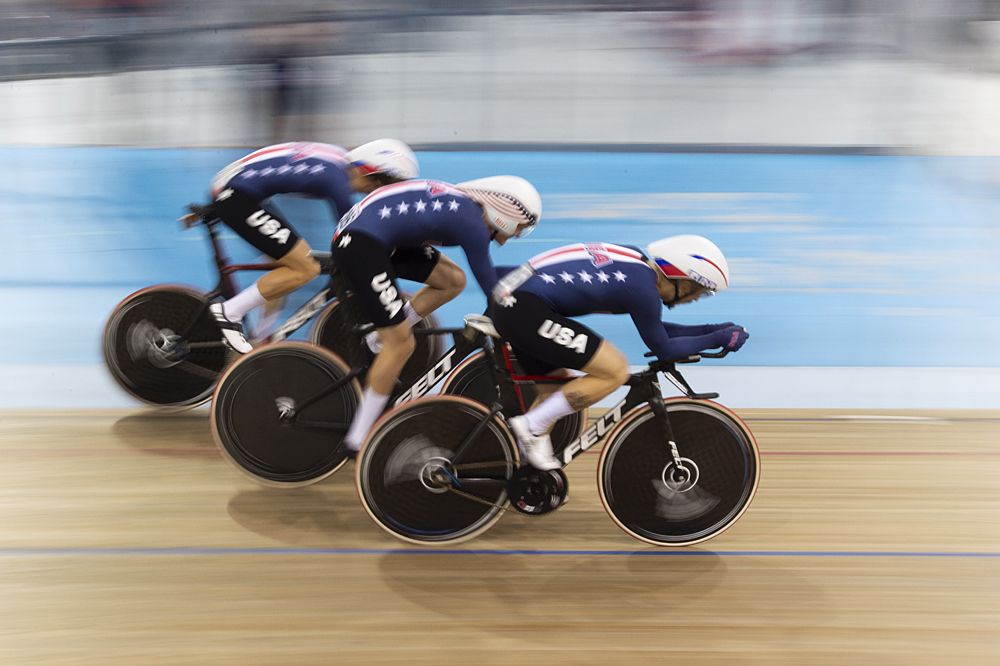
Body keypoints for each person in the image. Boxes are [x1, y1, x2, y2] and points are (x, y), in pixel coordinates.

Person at [490, 235, 749, 470]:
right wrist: (717, 338)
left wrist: (714, 330)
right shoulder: (642, 288)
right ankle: (530, 429)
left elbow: (657, 329)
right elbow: (664, 348)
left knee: (553, 394)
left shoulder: (637, 267)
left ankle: (522, 468)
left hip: (515, 299)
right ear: (682, 278)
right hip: (524, 309)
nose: (695, 299)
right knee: (613, 371)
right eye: (699, 291)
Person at [330, 175, 542, 457]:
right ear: (505, 211)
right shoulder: (472, 224)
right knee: (403, 344)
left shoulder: (465, 210)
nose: (511, 237)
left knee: (453, 279)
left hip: (374, 236)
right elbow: (492, 289)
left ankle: (378, 342)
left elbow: (489, 278)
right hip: (361, 242)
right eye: (518, 228)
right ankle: (356, 440)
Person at [205, 138, 420, 353]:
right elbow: (356, 232)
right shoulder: (337, 181)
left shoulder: (338, 160)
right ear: (368, 172)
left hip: (236, 190)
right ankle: (230, 311)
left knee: (285, 267)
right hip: (236, 195)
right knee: (306, 268)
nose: (372, 194)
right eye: (378, 186)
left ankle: (258, 343)